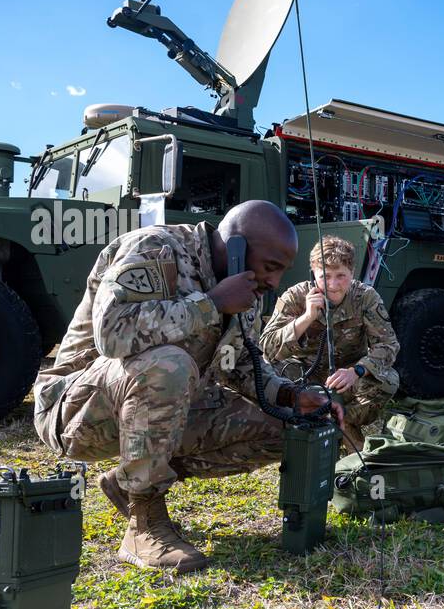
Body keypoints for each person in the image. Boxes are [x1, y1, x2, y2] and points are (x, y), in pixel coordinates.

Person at [32, 200, 341, 574]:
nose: (275, 282)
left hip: (159, 407)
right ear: (237, 247)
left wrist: (291, 396)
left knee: (283, 427)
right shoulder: (155, 248)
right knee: (168, 365)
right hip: (75, 409)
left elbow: (240, 365)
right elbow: (112, 334)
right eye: (271, 267)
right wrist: (211, 304)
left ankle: (127, 481)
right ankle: (143, 520)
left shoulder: (244, 292)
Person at [260, 235, 400, 452]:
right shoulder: (295, 296)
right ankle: (315, 428)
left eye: (341, 276)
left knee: (388, 380)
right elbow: (267, 349)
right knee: (268, 377)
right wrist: (306, 317)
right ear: (313, 274)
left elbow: (389, 345)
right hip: (304, 375)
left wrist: (357, 370)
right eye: (325, 276)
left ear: (352, 273)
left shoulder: (365, 298)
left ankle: (340, 421)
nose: (333, 285)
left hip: (347, 377)